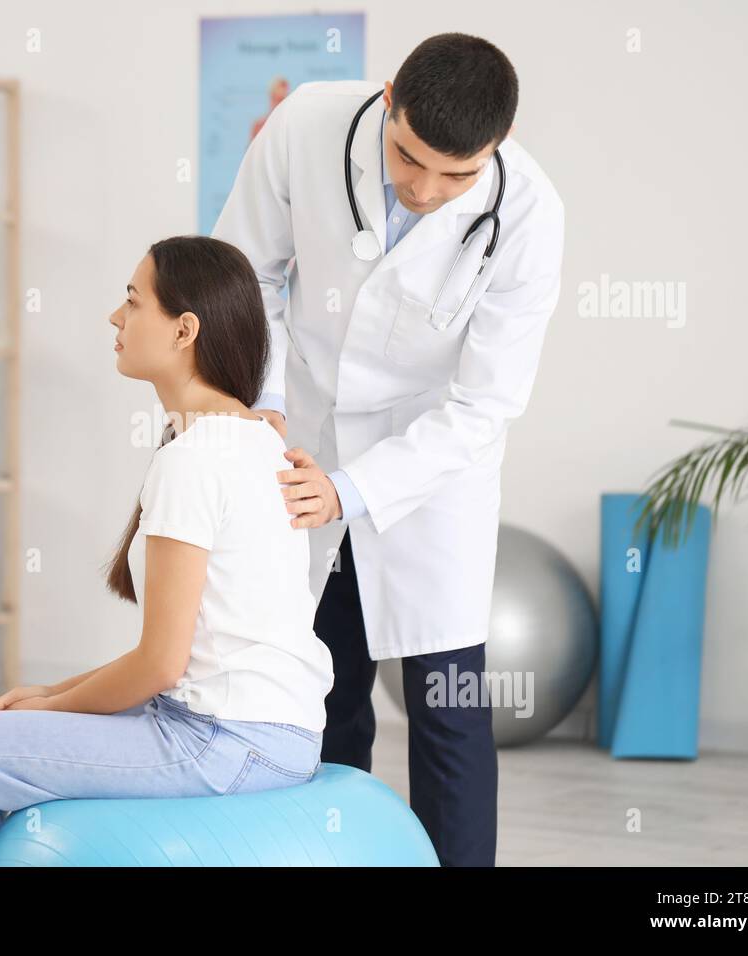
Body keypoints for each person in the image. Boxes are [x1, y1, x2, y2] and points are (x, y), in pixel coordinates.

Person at [212, 32, 566, 866]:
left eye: (458, 174)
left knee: (448, 710)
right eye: (409, 158)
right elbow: (244, 272)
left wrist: (356, 489)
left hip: (432, 467)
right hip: (303, 432)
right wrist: (260, 405)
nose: (426, 189)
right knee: (323, 689)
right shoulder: (306, 125)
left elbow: (486, 403)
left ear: (498, 146)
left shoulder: (530, 214)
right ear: (389, 94)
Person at [0, 235, 335, 866]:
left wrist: (54, 704)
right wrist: (53, 693)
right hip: (272, 732)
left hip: (223, 741)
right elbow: (178, 658)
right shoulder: (256, 438)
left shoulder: (195, 458)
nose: (115, 317)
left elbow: (160, 666)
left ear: (184, 329)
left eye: (132, 302)